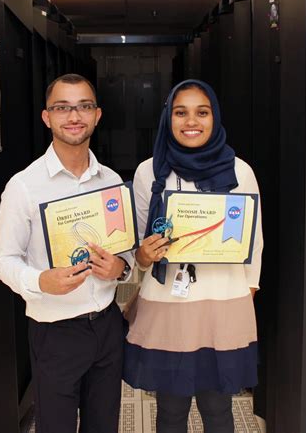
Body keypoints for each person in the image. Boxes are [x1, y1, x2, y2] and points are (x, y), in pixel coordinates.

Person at [0, 74, 133, 433]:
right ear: (47, 117)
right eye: (62, 108)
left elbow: (126, 254)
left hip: (107, 325)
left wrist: (120, 268)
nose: (74, 116)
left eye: (84, 106)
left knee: (103, 425)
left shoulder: (112, 181)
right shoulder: (24, 187)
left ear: (97, 115)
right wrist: (40, 280)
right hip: (55, 333)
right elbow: (3, 260)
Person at [123, 79, 263, 433]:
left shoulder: (240, 171)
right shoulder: (148, 172)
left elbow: (254, 240)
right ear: (167, 118)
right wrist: (144, 255)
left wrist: (249, 290)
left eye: (202, 112)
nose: (191, 121)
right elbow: (138, 249)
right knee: (171, 409)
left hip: (223, 301)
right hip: (167, 303)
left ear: (214, 117)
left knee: (217, 408)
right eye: (180, 112)